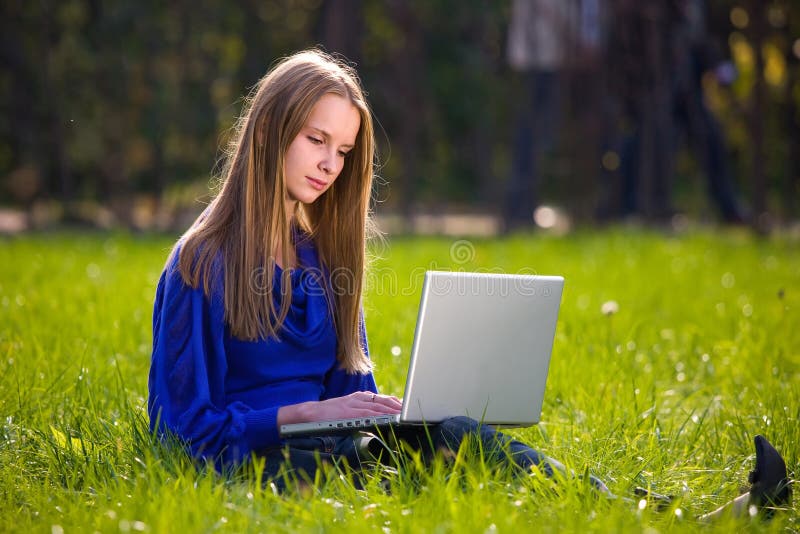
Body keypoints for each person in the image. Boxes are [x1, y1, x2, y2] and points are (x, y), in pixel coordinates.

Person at [148, 49, 790, 518]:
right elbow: (183, 431)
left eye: (343, 151)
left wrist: (399, 413)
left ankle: (659, 514)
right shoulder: (199, 264)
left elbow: (353, 396)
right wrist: (306, 414)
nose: (329, 164)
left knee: (457, 435)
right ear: (268, 133)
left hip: (341, 450)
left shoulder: (324, 259)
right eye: (316, 139)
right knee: (351, 467)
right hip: (271, 464)